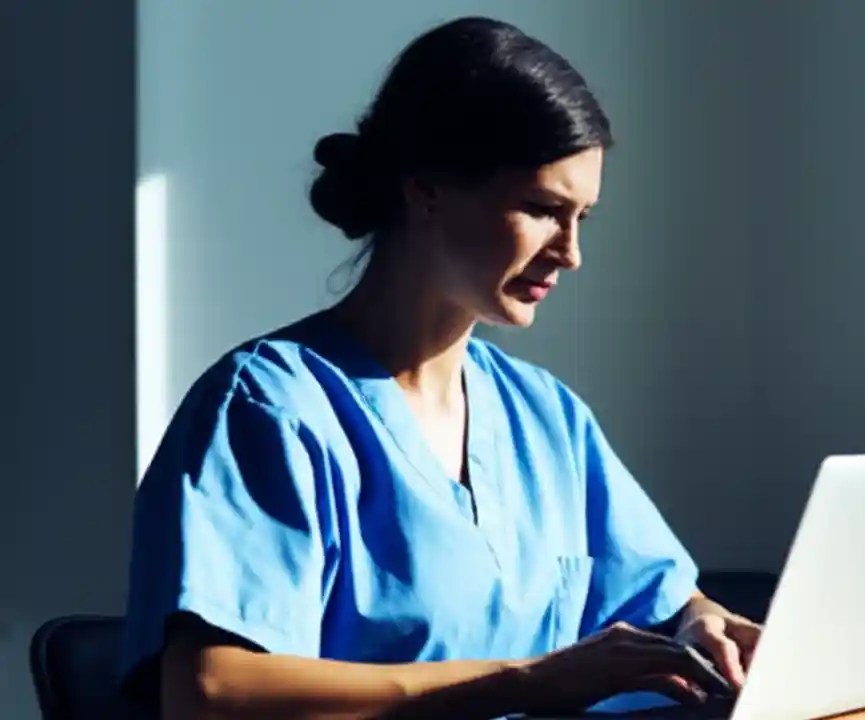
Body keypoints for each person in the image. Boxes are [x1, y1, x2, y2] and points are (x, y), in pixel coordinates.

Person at [118, 15, 761, 720]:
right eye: (542, 209)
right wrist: (524, 682)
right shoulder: (270, 409)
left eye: (583, 217)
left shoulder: (545, 417)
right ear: (424, 188)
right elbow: (209, 692)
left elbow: (663, 598)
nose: (570, 252)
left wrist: (702, 622)